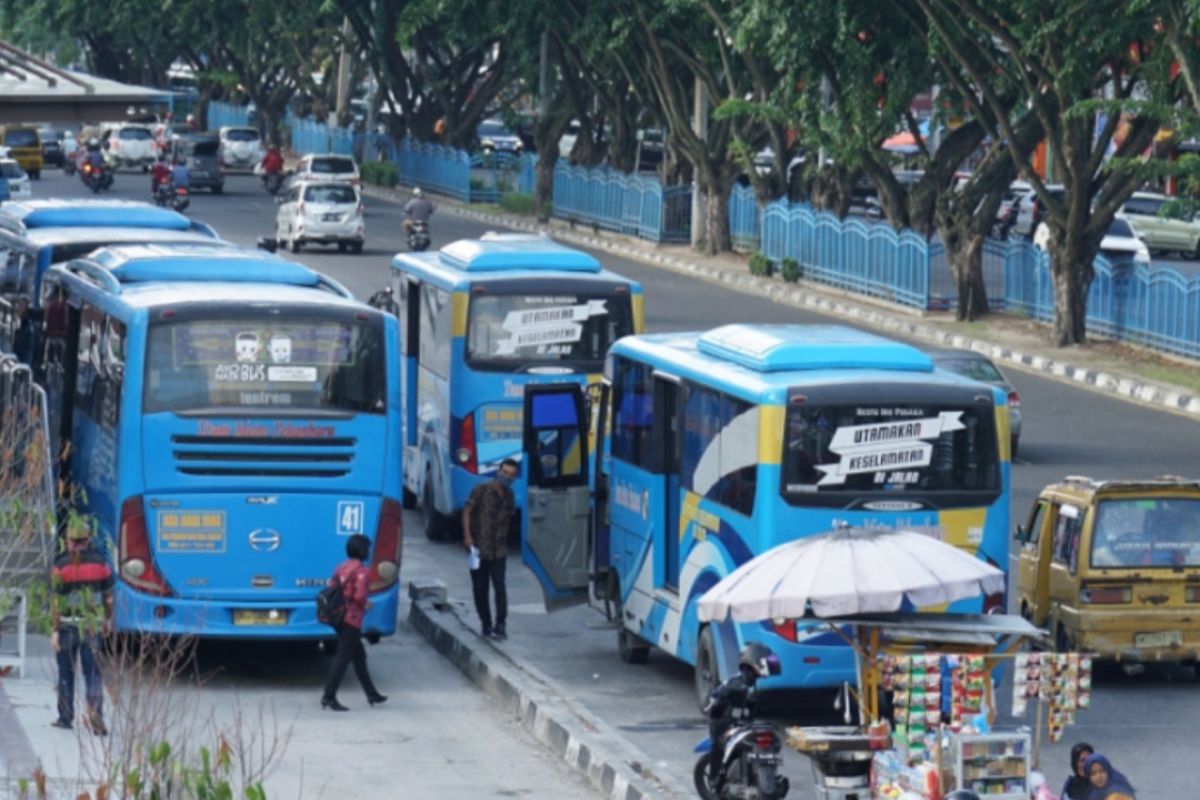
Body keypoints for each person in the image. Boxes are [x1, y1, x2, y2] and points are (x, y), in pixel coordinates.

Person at [50, 517, 114, 735]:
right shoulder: (101, 564)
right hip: (92, 627)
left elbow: (56, 602)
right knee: (93, 674)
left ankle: (65, 717)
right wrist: (107, 620)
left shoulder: (60, 565)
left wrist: (55, 630)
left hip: (66, 628)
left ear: (68, 541)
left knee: (66, 674)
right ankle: (95, 714)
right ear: (88, 540)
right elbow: (108, 598)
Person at [320, 533, 386, 711]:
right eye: (368, 549)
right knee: (342, 659)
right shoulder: (362, 572)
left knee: (359, 656)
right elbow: (358, 596)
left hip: (339, 617)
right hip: (352, 619)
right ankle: (329, 696)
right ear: (363, 551)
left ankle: (372, 694)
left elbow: (332, 586)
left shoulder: (341, 567)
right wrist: (366, 603)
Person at [702, 641, 781, 789]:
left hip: (741, 724)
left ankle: (715, 779)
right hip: (732, 723)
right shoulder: (736, 683)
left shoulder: (746, 682)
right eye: (765, 661)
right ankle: (716, 778)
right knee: (717, 745)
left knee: (717, 745)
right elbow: (719, 697)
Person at [463, 458, 518, 640]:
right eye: (505, 473)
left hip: (499, 549)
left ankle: (501, 624)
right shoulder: (481, 490)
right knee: (480, 589)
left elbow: (509, 518)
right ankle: (486, 622)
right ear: (498, 472)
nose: (507, 477)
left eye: (511, 475)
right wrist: (468, 537)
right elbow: (467, 511)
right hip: (479, 549)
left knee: (500, 586)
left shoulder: (509, 495)